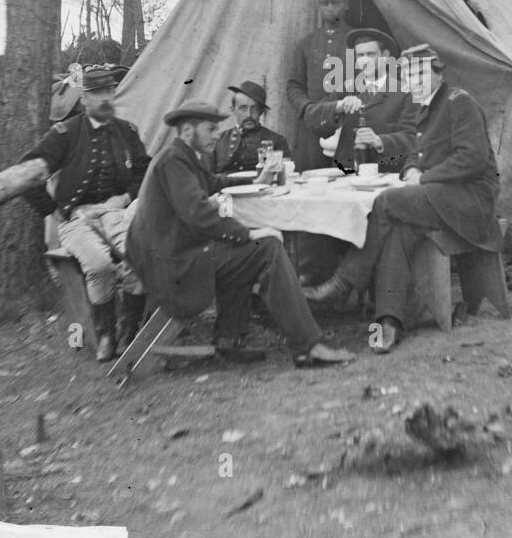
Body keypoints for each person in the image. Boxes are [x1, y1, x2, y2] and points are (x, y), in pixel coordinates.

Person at [302, 44, 502, 353]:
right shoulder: (424, 108)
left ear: (438, 73)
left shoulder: (458, 101)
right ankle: (390, 321)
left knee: (386, 202)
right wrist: (411, 170)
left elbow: (472, 158)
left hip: (472, 200)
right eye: (409, 75)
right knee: (396, 230)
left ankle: (343, 283)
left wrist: (424, 177)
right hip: (441, 198)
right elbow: (414, 154)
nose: (414, 81)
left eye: (421, 73)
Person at [125, 98, 354, 367]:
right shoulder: (174, 160)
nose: (216, 135)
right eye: (210, 129)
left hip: (174, 258)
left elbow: (214, 182)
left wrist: (256, 179)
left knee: (244, 254)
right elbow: (199, 214)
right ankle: (308, 345)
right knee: (266, 249)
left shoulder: (181, 156)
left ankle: (229, 342)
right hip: (173, 268)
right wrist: (247, 235)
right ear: (187, 130)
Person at [19, 65, 150, 362]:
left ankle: (129, 331)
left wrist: (125, 197)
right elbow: (26, 170)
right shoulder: (65, 134)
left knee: (139, 258)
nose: (105, 98)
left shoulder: (127, 132)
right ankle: (106, 334)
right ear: (84, 99)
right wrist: (52, 210)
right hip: (77, 220)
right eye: (97, 93)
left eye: (109, 91)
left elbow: (144, 170)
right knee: (100, 265)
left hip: (116, 213)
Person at [301, 28, 418, 173]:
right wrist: (338, 106)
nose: (365, 60)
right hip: (346, 172)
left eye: (371, 54)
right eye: (360, 55)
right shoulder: (347, 88)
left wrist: (380, 141)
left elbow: (413, 138)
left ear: (386, 56)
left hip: (385, 172)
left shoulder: (405, 92)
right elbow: (312, 119)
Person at [285, 0, 355, 172]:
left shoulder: (356, 41)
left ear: (346, 5)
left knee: (346, 175)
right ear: (319, 6)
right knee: (312, 177)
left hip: (346, 122)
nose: (330, 7)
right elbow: (294, 85)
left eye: (335, 2)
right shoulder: (307, 43)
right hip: (311, 126)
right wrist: (307, 108)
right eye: (325, 3)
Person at [212, 81, 290, 174]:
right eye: (243, 108)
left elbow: (284, 176)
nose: (249, 114)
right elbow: (205, 178)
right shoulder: (217, 141)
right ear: (233, 110)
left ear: (261, 111)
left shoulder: (277, 141)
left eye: (255, 109)